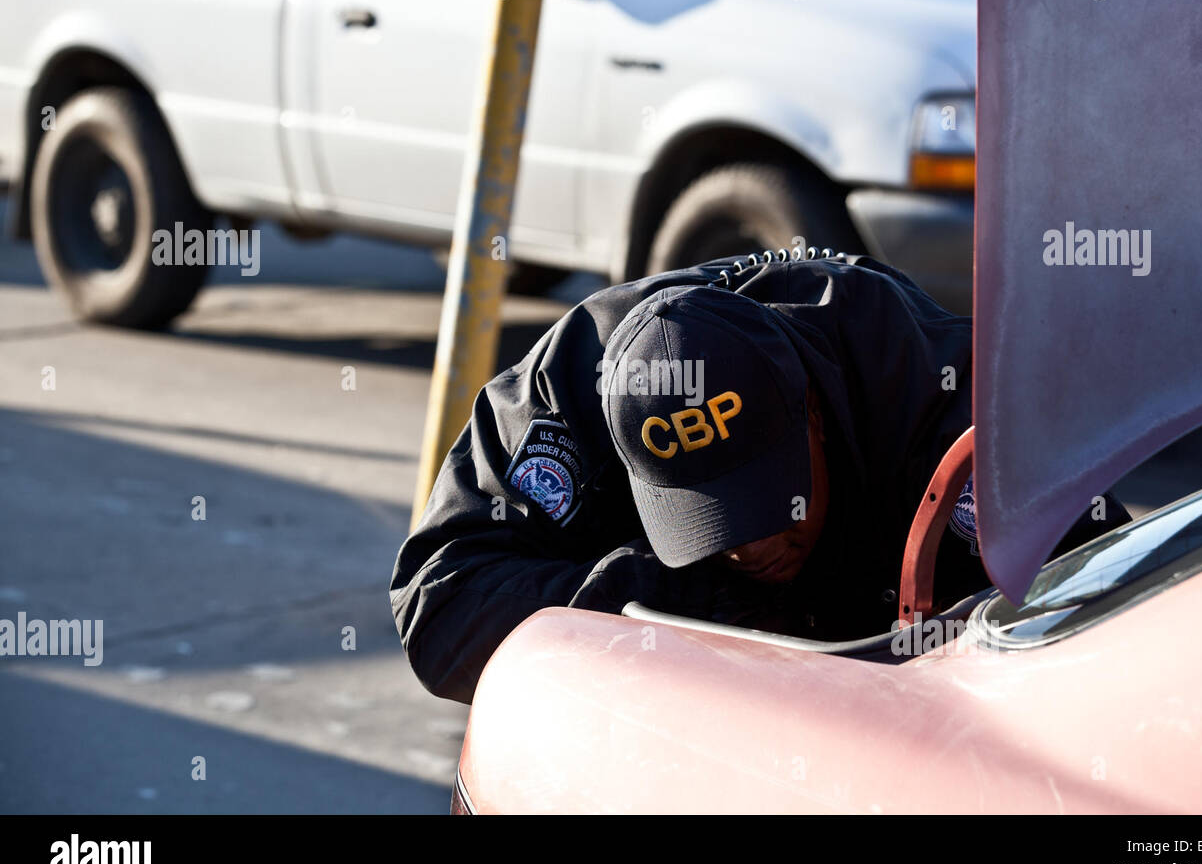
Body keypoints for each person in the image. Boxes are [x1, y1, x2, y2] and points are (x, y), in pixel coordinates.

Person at [390, 250, 1128, 703]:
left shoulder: (941, 394)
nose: (750, 545)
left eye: (770, 502)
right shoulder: (569, 390)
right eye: (708, 516)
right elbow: (437, 608)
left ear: (814, 412)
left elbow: (1118, 605)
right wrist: (657, 600)